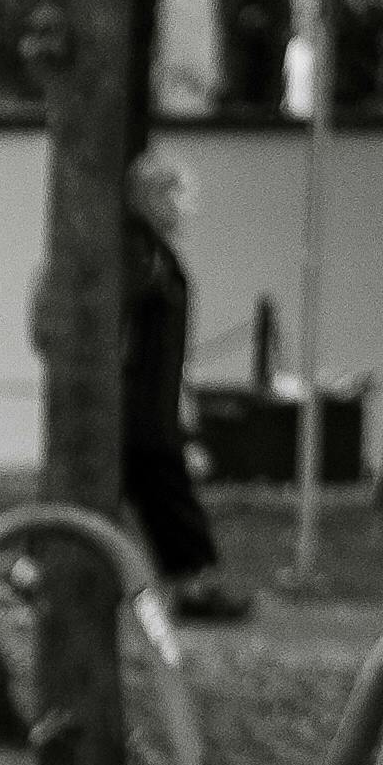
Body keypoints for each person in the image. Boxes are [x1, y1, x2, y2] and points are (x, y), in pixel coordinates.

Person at [119, 153, 246, 615]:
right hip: (139, 404)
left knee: (157, 492)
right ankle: (193, 585)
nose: (184, 206)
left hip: (153, 400)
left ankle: (192, 584)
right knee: (166, 492)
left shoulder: (151, 250)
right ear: (153, 196)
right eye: (175, 193)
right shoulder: (137, 251)